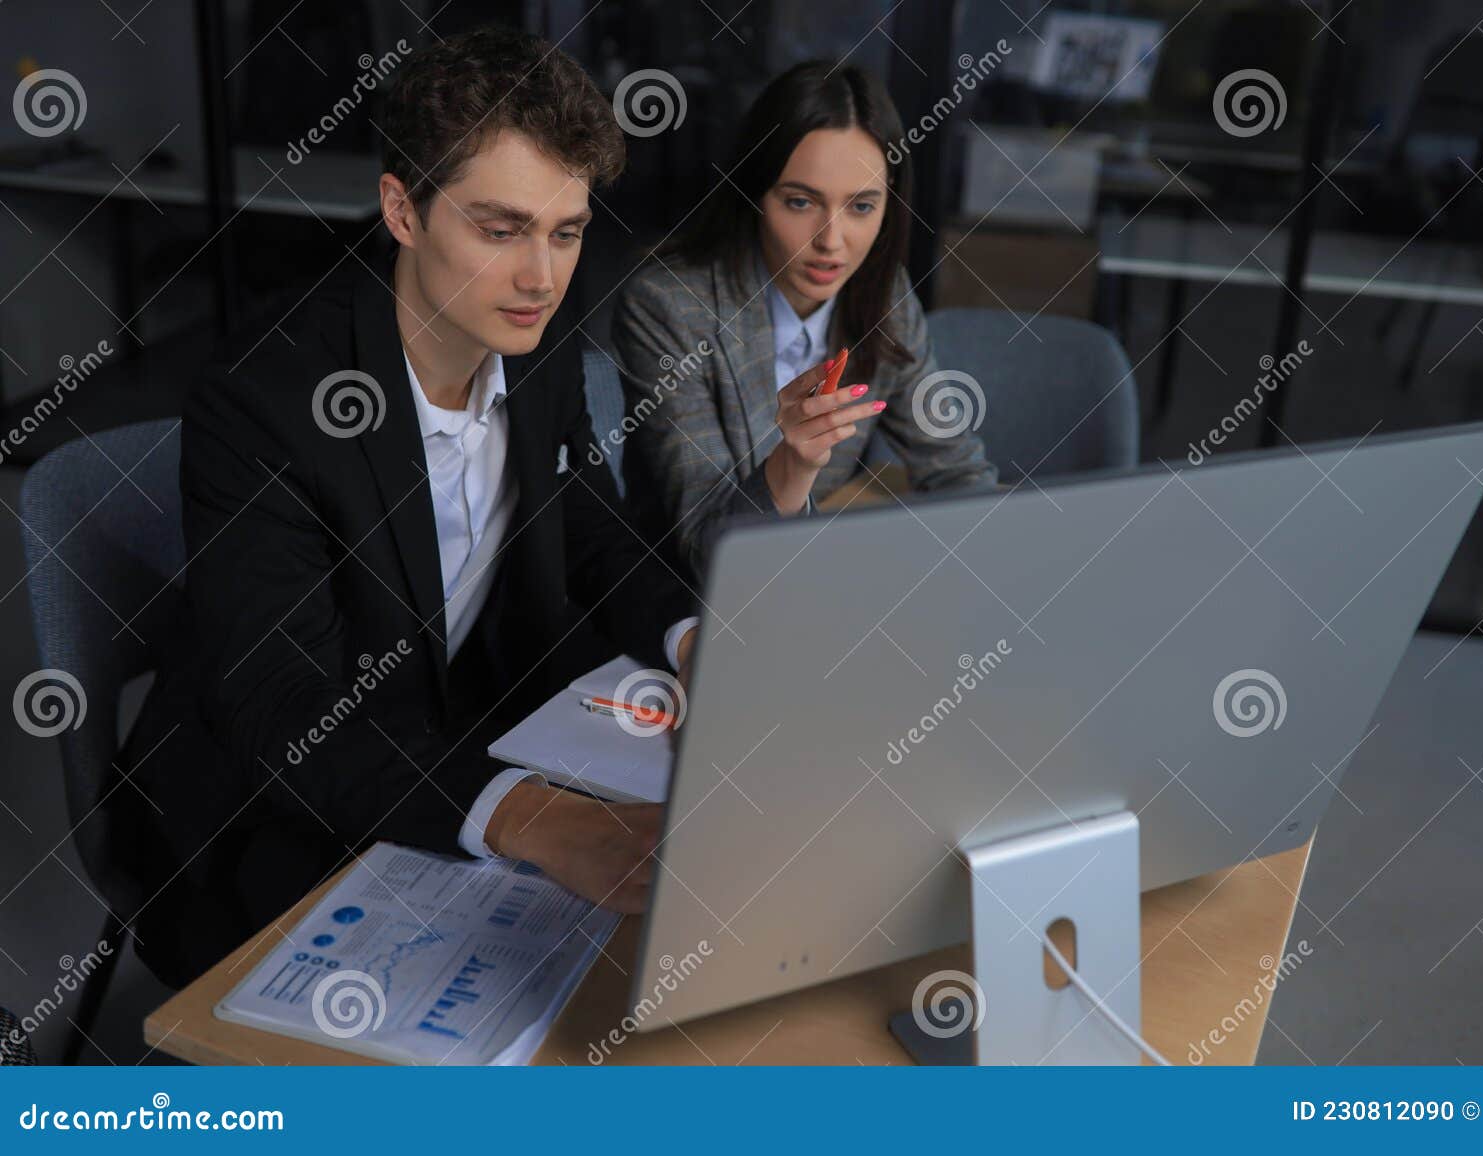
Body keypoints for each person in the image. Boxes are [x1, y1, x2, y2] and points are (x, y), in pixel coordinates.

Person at [117, 28, 694, 988]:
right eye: (500, 229)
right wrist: (537, 819)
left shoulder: (534, 338)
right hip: (269, 812)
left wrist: (690, 640)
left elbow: (592, 531)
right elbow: (280, 709)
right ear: (403, 210)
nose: (541, 277)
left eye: (567, 231)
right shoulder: (264, 401)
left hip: (458, 743)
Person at [612, 60, 998, 580]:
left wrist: (1004, 568)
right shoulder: (669, 306)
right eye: (800, 202)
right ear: (754, 194)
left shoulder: (883, 295)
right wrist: (793, 467)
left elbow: (956, 470)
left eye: (861, 206)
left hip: (821, 578)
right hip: (690, 607)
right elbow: (709, 552)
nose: (832, 242)